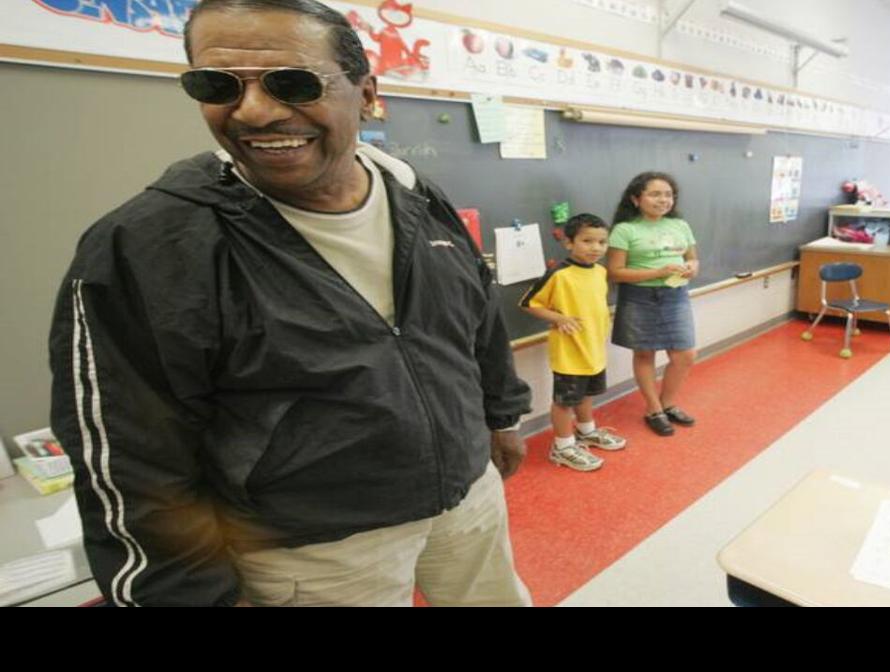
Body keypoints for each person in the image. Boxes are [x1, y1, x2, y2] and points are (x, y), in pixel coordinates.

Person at [48, 0, 532, 606]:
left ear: (366, 93)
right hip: (313, 550)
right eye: (217, 85)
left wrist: (501, 414)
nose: (254, 110)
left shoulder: (415, 195)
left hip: (467, 500)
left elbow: (477, 317)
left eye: (293, 83)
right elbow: (129, 456)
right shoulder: (148, 246)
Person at [521, 213, 626, 472]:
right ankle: (563, 446)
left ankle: (586, 431)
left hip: (593, 348)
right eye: (587, 241)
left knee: (586, 394)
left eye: (601, 242)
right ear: (569, 243)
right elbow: (528, 303)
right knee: (565, 402)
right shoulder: (559, 274)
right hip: (570, 351)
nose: (595, 248)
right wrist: (558, 317)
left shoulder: (601, 271)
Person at [606, 171, 699, 436]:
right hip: (639, 297)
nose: (663, 200)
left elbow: (693, 259)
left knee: (685, 354)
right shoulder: (625, 230)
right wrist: (656, 273)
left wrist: (691, 268)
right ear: (636, 199)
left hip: (675, 295)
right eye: (655, 194)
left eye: (668, 194)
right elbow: (615, 272)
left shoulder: (680, 225)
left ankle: (668, 403)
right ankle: (653, 408)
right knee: (645, 353)